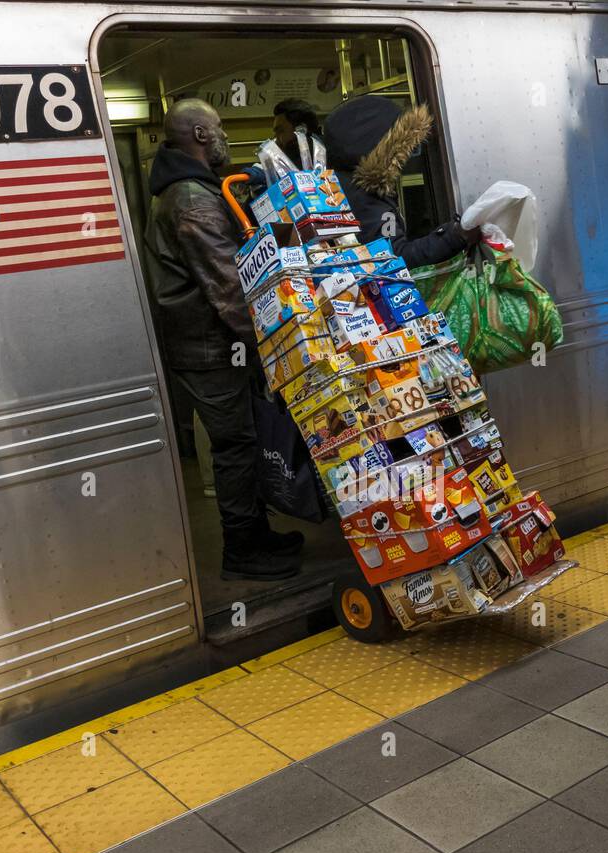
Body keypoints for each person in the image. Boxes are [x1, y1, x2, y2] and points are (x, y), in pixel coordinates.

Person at [145, 98, 303, 581]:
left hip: (208, 346)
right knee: (235, 445)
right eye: (219, 130)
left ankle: (255, 534)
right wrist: (280, 339)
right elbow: (230, 289)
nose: (225, 139)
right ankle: (242, 549)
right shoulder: (192, 200)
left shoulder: (186, 192)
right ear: (198, 134)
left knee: (243, 440)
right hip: (210, 350)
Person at [321, 95, 473, 269]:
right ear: (385, 149)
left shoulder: (348, 187)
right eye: (404, 147)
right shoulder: (365, 197)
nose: (409, 154)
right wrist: (456, 235)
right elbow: (395, 257)